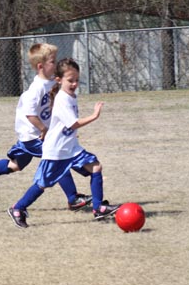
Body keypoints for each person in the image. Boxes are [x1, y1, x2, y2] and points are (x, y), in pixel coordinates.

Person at [0, 43, 91, 212]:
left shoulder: (54, 82)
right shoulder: (36, 88)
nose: (56, 64)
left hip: (35, 134)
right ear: (41, 66)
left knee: (15, 165)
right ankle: (73, 198)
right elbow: (30, 114)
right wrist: (45, 131)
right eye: (52, 62)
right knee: (57, 156)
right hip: (32, 135)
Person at [7, 58, 120, 228]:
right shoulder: (62, 99)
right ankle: (18, 208)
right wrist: (94, 115)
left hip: (71, 148)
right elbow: (73, 123)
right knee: (42, 184)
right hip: (57, 151)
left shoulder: (71, 96)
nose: (74, 84)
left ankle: (99, 208)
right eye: (70, 80)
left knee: (96, 167)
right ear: (59, 80)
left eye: (76, 80)